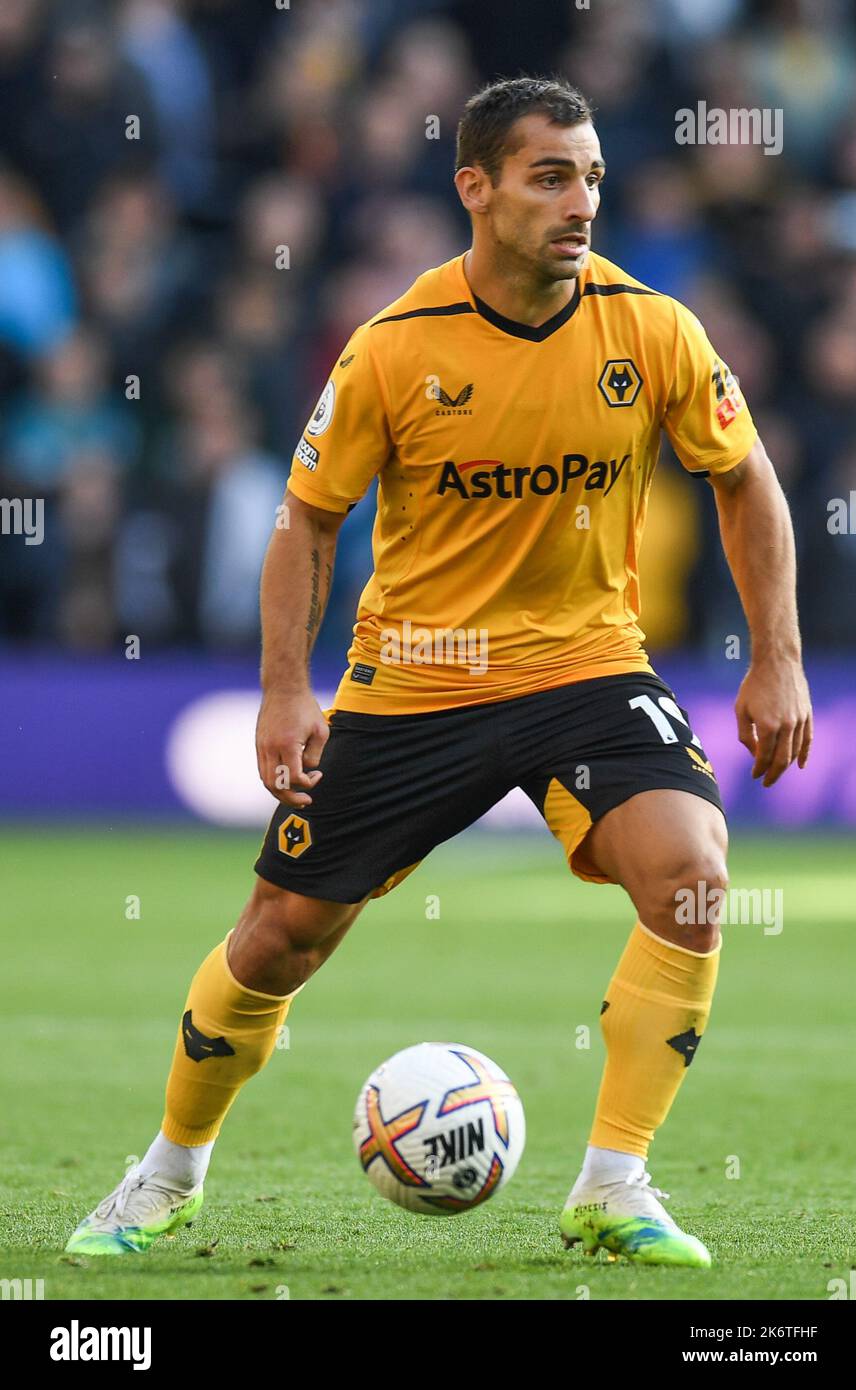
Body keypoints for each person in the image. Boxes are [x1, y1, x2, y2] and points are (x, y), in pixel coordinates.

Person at [66, 77, 812, 1267]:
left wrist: (776, 656)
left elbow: (746, 477)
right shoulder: (395, 347)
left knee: (693, 876)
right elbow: (306, 519)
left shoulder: (653, 327)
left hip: (586, 664)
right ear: (477, 187)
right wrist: (283, 689)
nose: (582, 202)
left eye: (594, 177)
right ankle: (166, 1174)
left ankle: (614, 1182)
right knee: (277, 939)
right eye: (550, 176)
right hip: (416, 676)